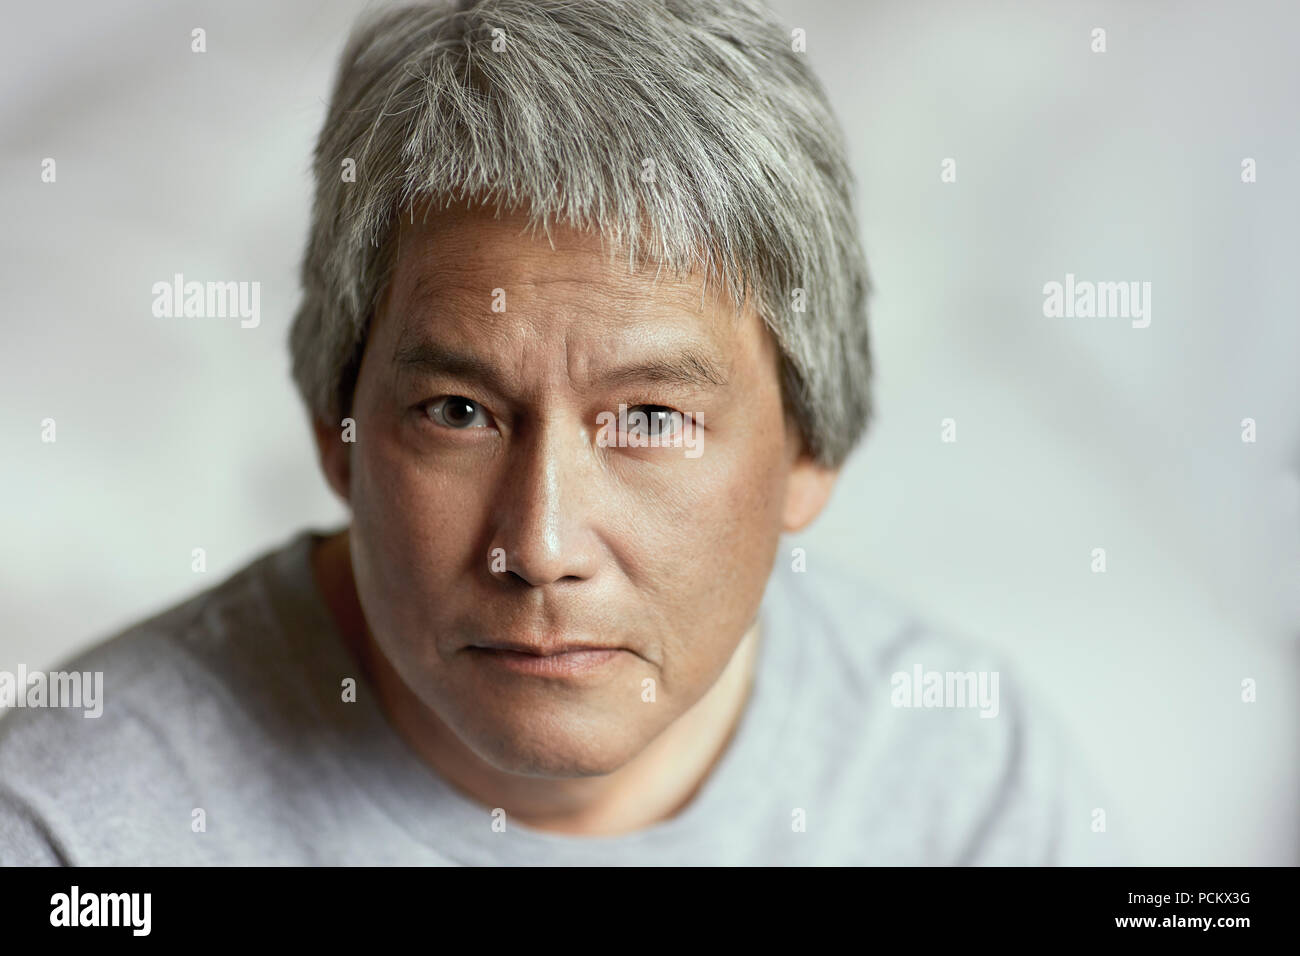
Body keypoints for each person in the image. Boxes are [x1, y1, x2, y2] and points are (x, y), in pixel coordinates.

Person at [0, 0, 1122, 865]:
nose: (538, 544)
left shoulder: (963, 788)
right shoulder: (79, 832)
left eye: (647, 417)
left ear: (807, 450)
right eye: (458, 413)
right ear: (335, 430)